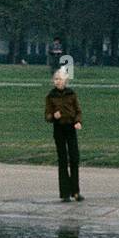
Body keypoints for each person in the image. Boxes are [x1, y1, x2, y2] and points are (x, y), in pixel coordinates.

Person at [44, 68, 83, 202]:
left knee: (74, 158)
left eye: (60, 79)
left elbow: (78, 111)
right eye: (56, 79)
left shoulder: (71, 94)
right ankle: (65, 193)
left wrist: (78, 121)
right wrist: (53, 116)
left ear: (66, 80)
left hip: (71, 128)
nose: (58, 82)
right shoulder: (51, 96)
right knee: (62, 160)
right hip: (59, 129)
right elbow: (47, 116)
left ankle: (76, 191)